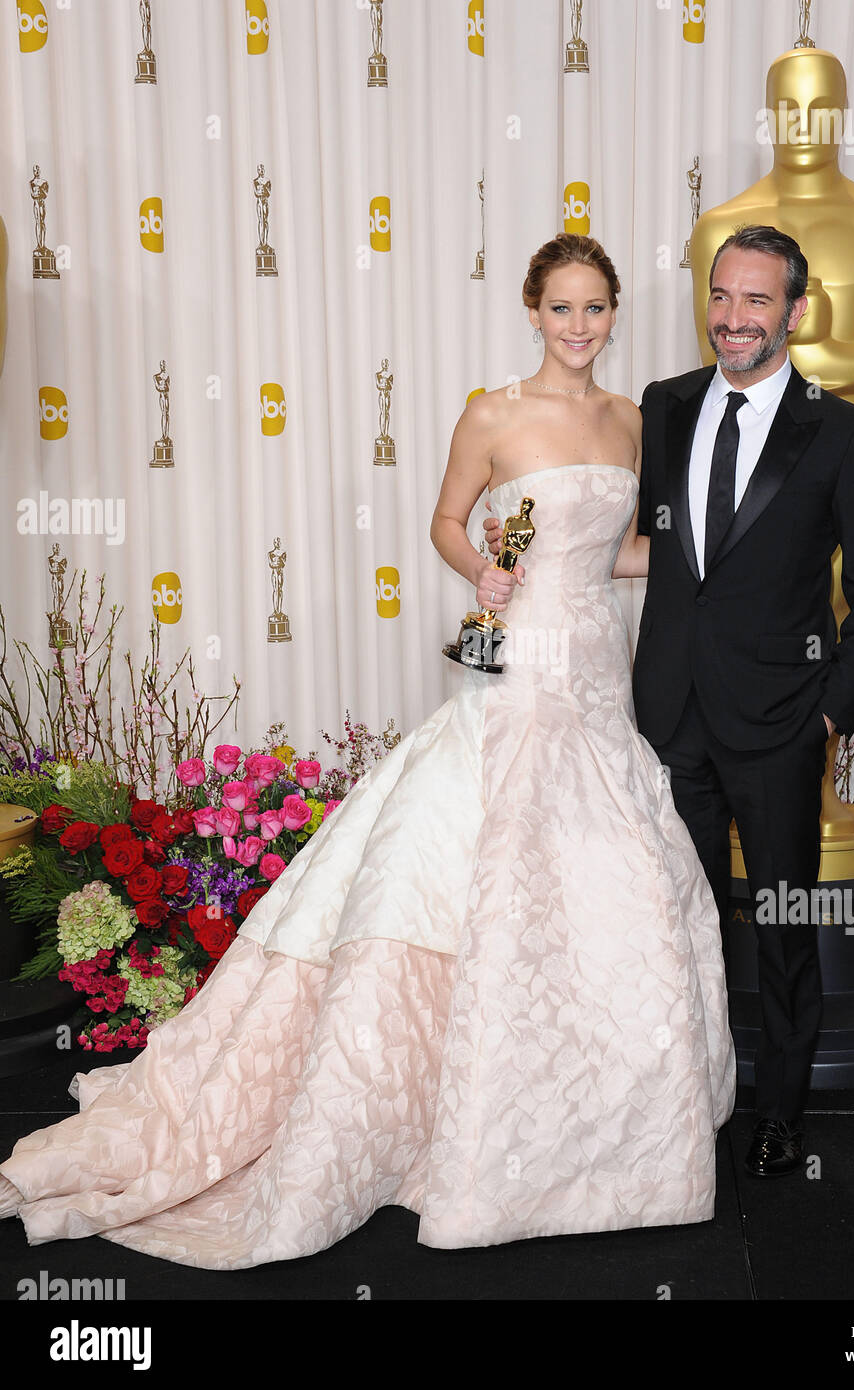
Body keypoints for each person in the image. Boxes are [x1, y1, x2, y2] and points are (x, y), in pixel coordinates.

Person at [0, 234, 734, 1270]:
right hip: (514, 655)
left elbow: (615, 551)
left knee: (609, 868)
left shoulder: (629, 420)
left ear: (615, 313)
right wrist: (482, 567)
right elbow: (444, 518)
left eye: (596, 309)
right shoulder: (492, 412)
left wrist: (716, 549)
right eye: (562, 308)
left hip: (599, 662)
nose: (580, 327)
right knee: (495, 848)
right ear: (533, 310)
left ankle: (593, 1124)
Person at [633, 226, 854, 1176]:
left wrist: (833, 710)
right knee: (682, 915)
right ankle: (690, 1097)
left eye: (757, 301)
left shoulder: (839, 431)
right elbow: (654, 551)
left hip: (783, 722)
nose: (734, 318)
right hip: (671, 715)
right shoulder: (663, 406)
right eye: (722, 297)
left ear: (794, 311)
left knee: (784, 922)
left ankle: (781, 1113)